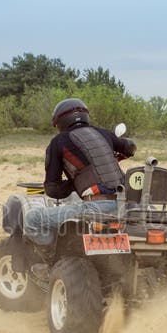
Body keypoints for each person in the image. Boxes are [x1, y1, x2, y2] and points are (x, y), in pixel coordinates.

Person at [22, 98, 137, 248]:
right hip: (127, 204)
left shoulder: (58, 142)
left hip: (96, 207)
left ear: (60, 122)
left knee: (32, 219)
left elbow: (52, 189)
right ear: (85, 116)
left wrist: (73, 183)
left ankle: (52, 257)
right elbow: (130, 146)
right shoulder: (103, 133)